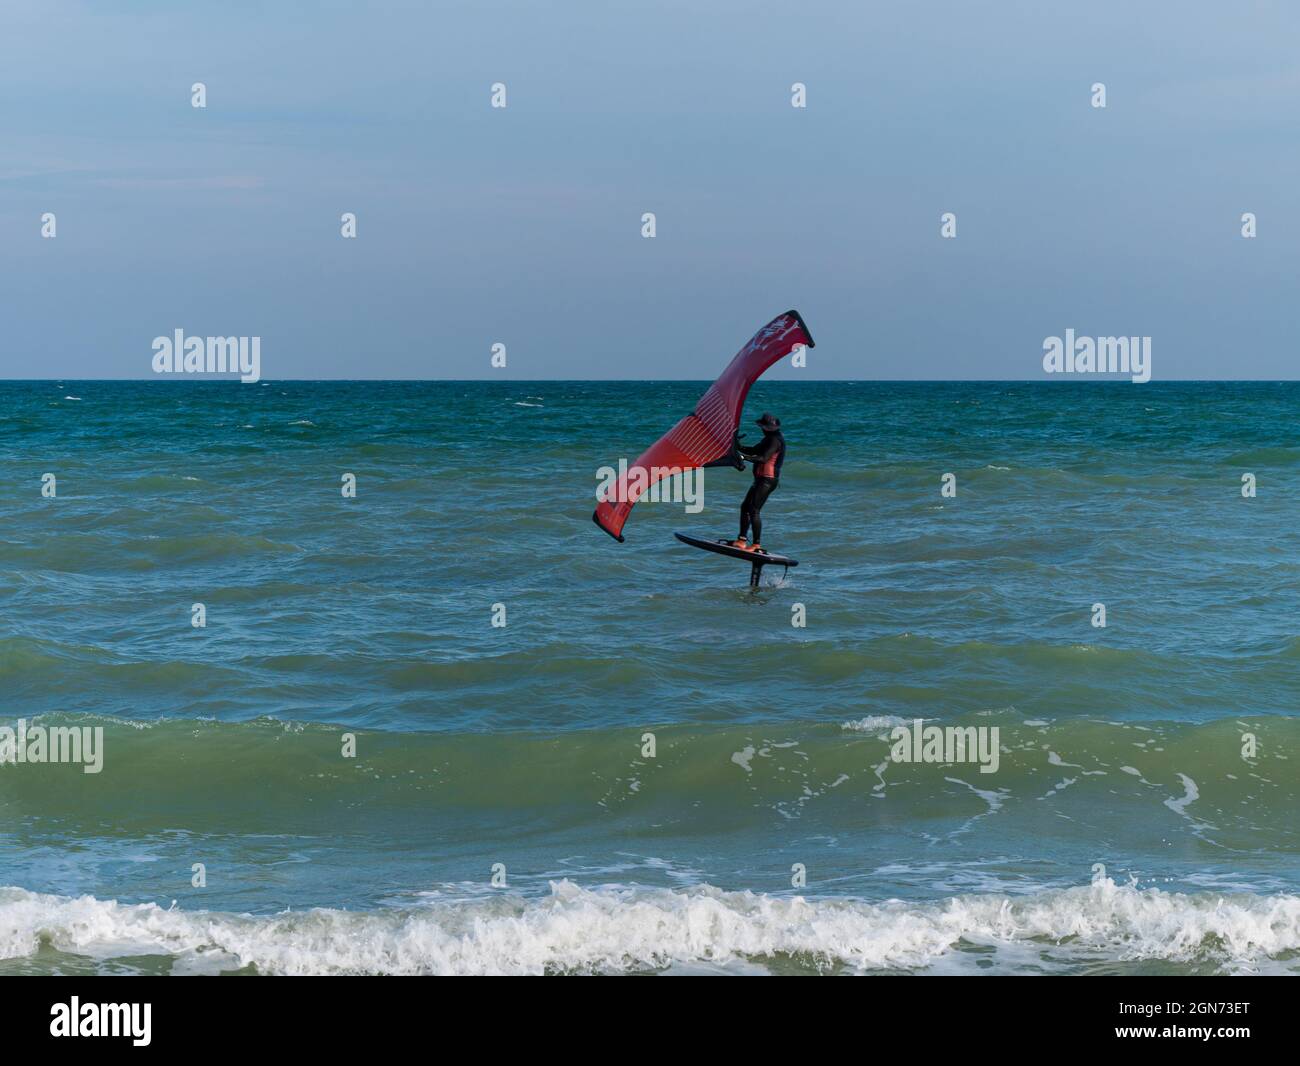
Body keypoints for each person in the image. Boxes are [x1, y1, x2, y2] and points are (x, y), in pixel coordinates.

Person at [733, 412, 784, 551]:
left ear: (765, 428)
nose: (761, 429)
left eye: (762, 426)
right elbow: (752, 450)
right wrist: (736, 444)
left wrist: (743, 458)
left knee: (754, 510)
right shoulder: (768, 439)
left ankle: (756, 544)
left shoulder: (774, 440)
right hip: (761, 479)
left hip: (767, 480)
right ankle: (742, 540)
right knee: (745, 507)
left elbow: (763, 459)